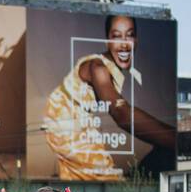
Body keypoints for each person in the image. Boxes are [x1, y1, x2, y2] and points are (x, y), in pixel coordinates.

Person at [42, 14, 176, 180]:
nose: (124, 44)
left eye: (130, 35)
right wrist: (176, 138)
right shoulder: (98, 67)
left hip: (70, 121)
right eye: (116, 36)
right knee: (107, 177)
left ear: (137, 40)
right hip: (66, 122)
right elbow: (121, 113)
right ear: (107, 41)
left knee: (91, 179)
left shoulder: (108, 67)